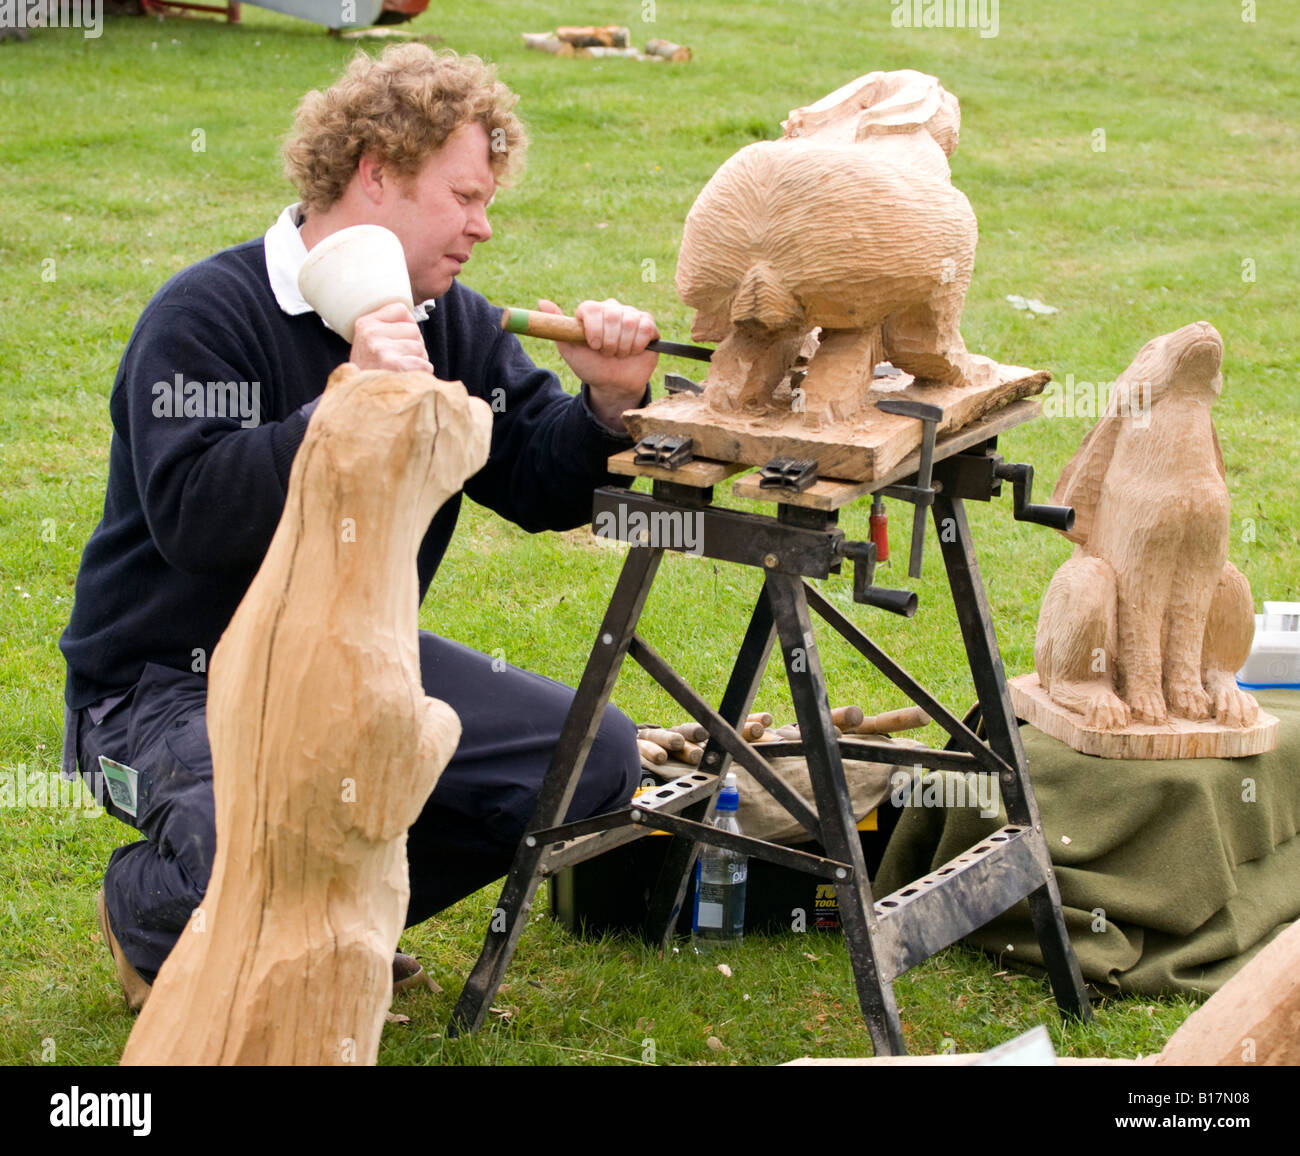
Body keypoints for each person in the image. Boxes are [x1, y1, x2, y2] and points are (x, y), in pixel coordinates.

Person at [60, 44, 656, 1008]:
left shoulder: (448, 321)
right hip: (161, 682)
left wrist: (607, 407)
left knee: (588, 759)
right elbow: (194, 519)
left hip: (349, 657)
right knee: (245, 834)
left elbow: (542, 483)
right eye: (464, 197)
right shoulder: (204, 314)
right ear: (377, 171)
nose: (483, 227)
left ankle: (331, 925)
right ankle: (148, 917)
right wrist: (342, 409)